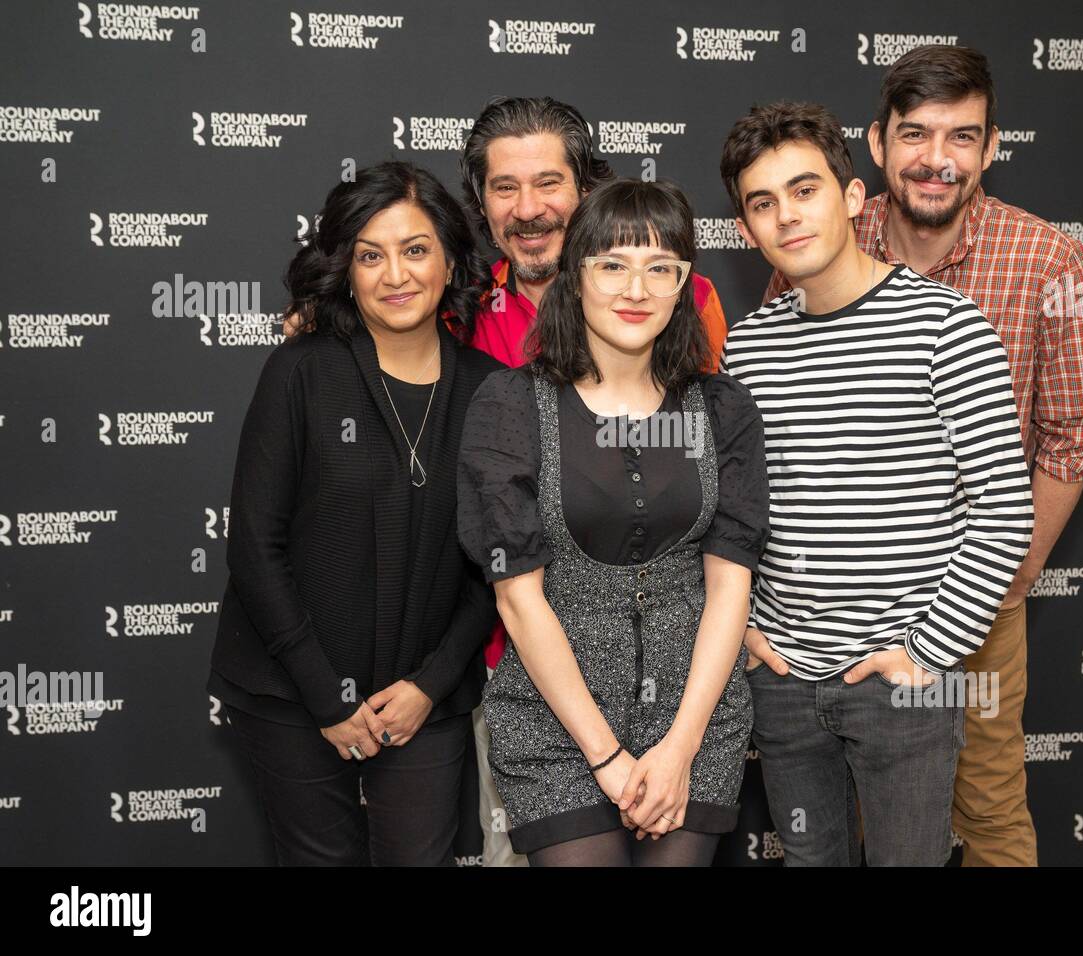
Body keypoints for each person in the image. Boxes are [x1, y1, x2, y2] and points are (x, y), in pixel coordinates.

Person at [286, 96, 733, 866]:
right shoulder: (455, 303)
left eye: (549, 183)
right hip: (507, 666)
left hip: (665, 671)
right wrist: (322, 319)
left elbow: (702, 485)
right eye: (503, 188)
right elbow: (376, 326)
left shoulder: (681, 301)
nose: (528, 209)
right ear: (480, 202)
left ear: (588, 188)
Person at [761, 47, 1083, 866]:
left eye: (963, 137)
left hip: (977, 589)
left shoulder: (1051, 262)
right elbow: (783, 426)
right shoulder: (812, 242)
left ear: (992, 148)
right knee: (847, 816)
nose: (936, 159)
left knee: (987, 801)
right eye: (915, 134)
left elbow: (1075, 432)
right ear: (878, 144)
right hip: (836, 604)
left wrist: (1006, 578)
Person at [719, 101, 1034, 865]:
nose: (787, 217)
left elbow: (1003, 511)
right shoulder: (749, 347)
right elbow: (738, 510)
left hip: (903, 682)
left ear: (854, 198)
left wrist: (926, 654)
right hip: (785, 679)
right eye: (763, 204)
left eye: (805, 190)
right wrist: (749, 636)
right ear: (745, 230)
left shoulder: (946, 328)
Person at [456, 178, 770, 865]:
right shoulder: (511, 405)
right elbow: (517, 595)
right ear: (576, 276)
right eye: (613, 266)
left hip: (696, 724)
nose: (637, 289)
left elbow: (728, 588)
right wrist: (606, 757)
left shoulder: (721, 411)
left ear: (685, 284)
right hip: (557, 726)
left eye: (662, 268)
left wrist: (682, 747)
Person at [207, 161, 503, 865]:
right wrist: (326, 698)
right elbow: (254, 545)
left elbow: (497, 564)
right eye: (371, 255)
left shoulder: (491, 391)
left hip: (424, 700)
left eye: (415, 249)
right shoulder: (302, 371)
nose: (395, 274)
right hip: (290, 693)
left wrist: (429, 686)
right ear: (345, 267)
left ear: (452, 258)